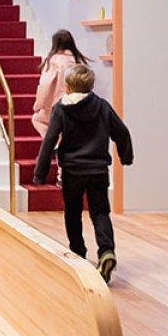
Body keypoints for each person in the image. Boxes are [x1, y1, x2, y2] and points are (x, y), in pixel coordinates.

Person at [33, 66, 133, 284]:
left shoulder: (61, 108)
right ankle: (106, 252)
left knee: (73, 212)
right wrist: (126, 156)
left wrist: (40, 173)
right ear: (91, 86)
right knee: (100, 212)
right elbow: (122, 132)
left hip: (72, 171)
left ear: (68, 87)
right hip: (98, 170)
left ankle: (78, 254)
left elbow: (49, 140)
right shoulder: (102, 106)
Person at [33, 29, 91, 137]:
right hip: (75, 107)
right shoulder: (76, 62)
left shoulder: (54, 61)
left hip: (56, 107)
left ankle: (53, 143)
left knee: (36, 119)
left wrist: (39, 105)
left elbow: (45, 85)